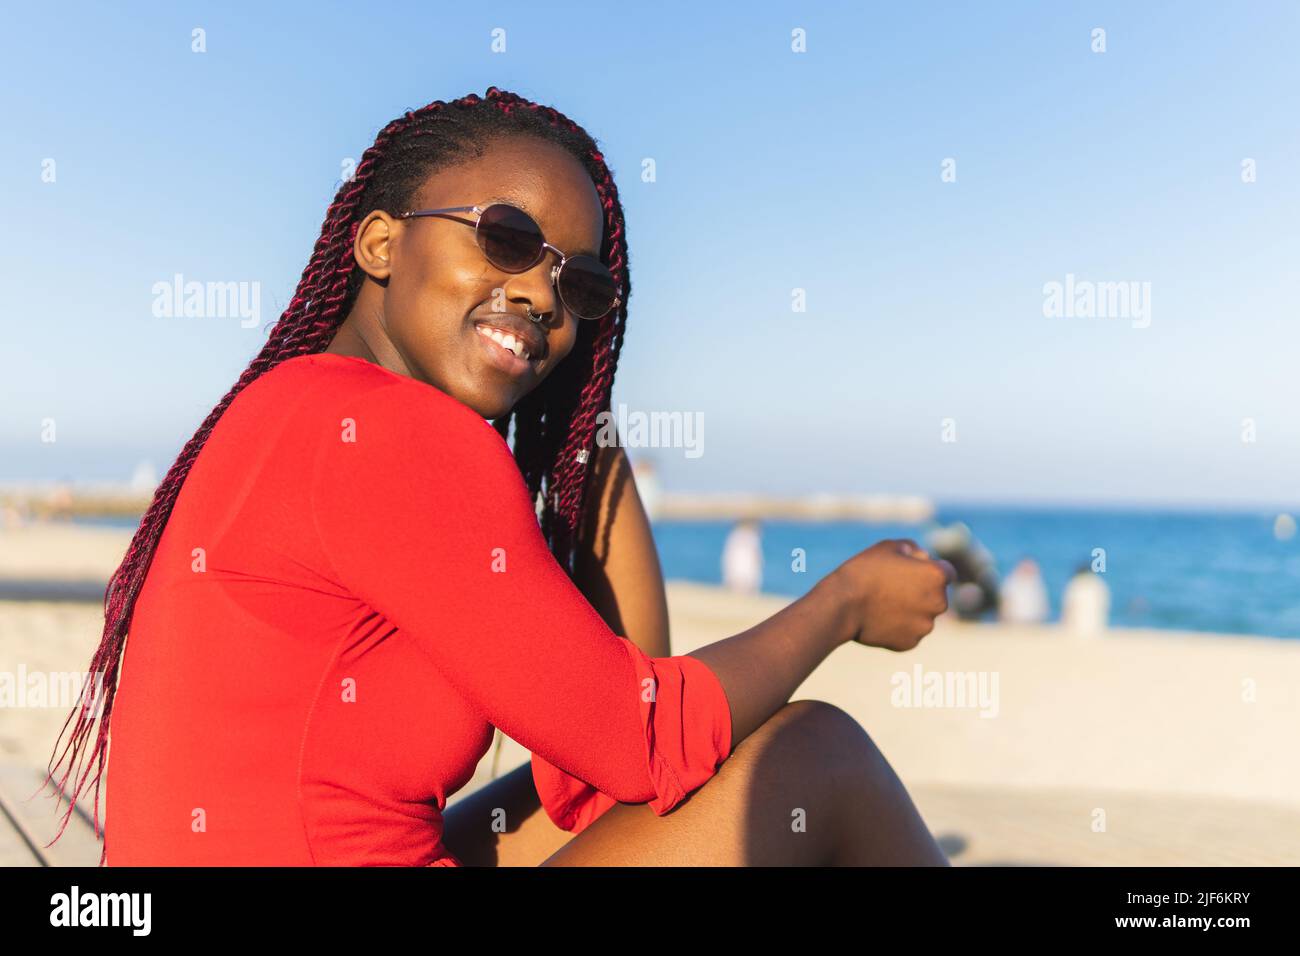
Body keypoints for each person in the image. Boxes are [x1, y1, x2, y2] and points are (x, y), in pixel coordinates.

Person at [46, 87, 953, 867]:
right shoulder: (399, 437)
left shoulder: (295, 407)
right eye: (507, 238)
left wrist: (581, 424)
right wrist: (844, 603)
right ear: (377, 244)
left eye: (583, 288)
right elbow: (647, 738)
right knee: (820, 757)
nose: (543, 296)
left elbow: (605, 753)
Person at [1061, 563, 1110, 636]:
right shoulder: (1099, 584)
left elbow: (1068, 608)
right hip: (1097, 629)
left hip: (1076, 630)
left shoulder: (1076, 584)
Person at [998, 557, 1049, 624]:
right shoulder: (1012, 582)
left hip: (1034, 621)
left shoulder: (1037, 582)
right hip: (1015, 621)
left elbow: (1043, 607)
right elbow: (1005, 604)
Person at [722, 518, 763, 593]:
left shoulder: (736, 536)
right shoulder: (748, 537)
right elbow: (756, 559)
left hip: (741, 575)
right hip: (743, 575)